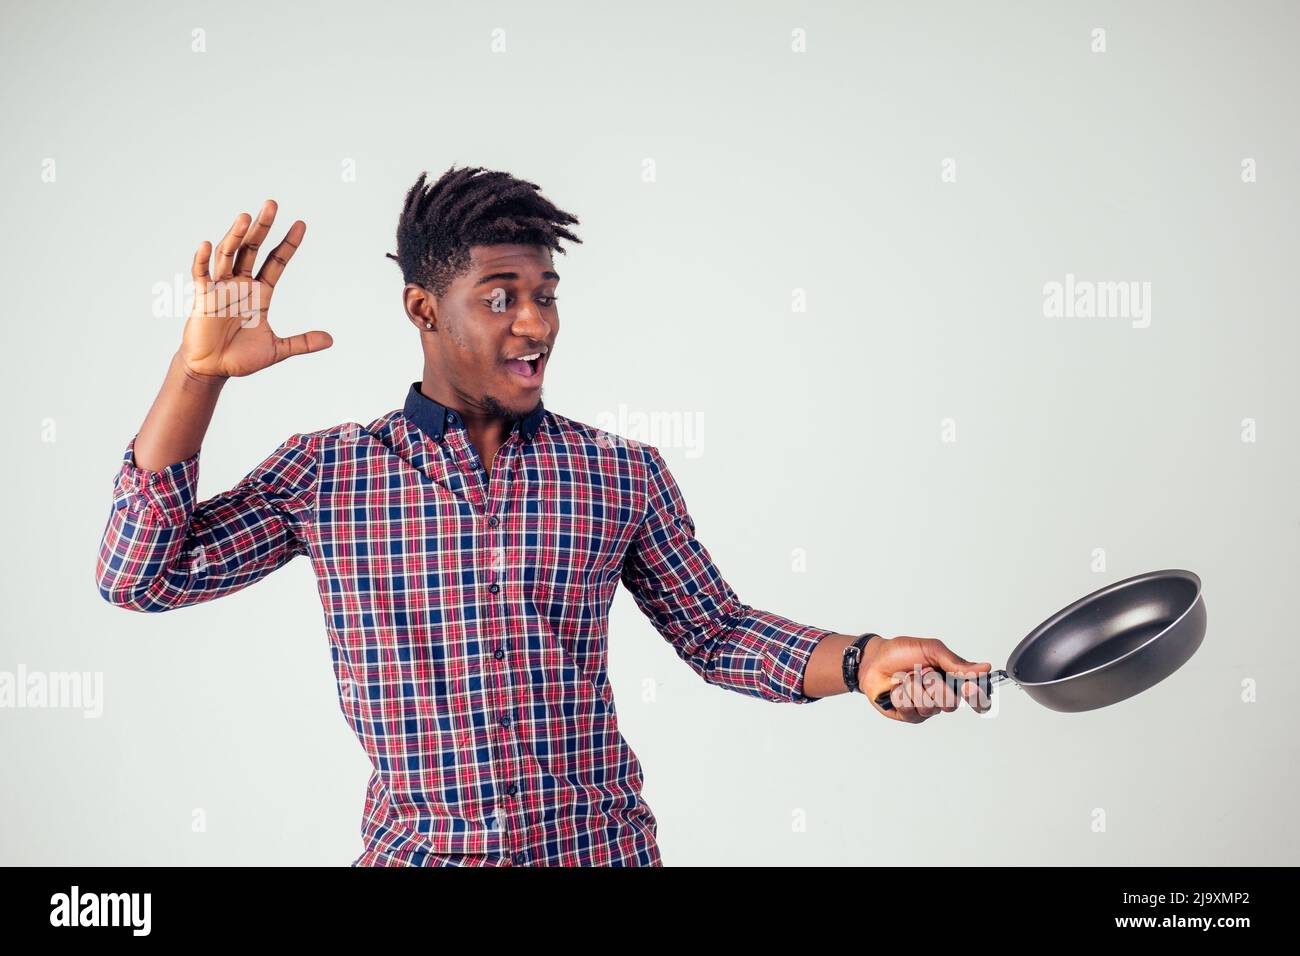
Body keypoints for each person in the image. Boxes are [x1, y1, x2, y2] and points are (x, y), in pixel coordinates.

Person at [95, 166, 993, 867]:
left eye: (546, 293)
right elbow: (141, 578)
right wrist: (198, 373)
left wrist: (865, 659)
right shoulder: (327, 474)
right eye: (500, 296)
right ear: (423, 310)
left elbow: (717, 634)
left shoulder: (619, 472)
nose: (536, 323)